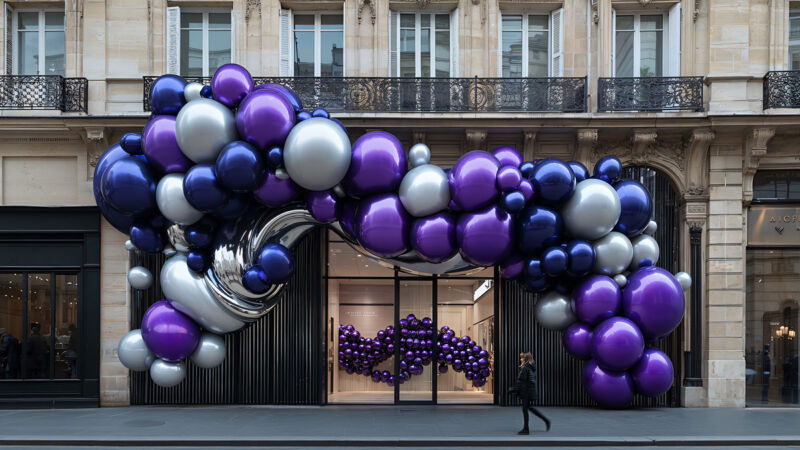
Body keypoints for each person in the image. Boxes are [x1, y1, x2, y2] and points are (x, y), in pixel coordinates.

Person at [514, 352, 550, 435]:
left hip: (527, 391)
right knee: (529, 408)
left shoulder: (525, 368)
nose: (520, 359)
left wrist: (515, 390)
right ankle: (546, 420)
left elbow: (522, 381)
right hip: (529, 391)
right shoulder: (530, 367)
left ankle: (526, 429)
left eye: (522, 358)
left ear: (526, 359)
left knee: (525, 409)